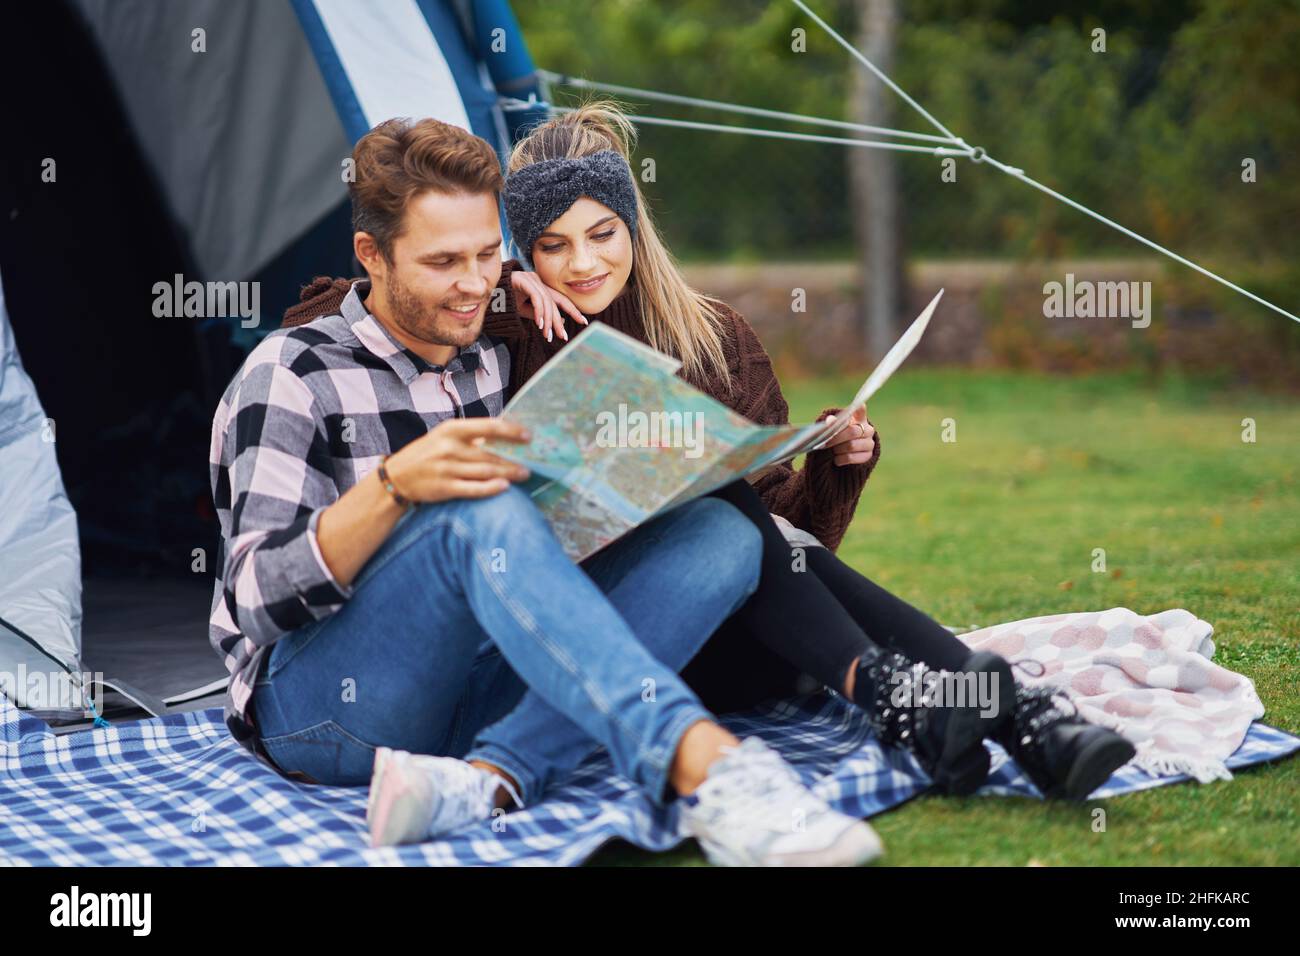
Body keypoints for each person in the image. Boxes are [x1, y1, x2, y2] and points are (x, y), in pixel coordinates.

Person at [286, 100, 1137, 801]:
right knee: (716, 506)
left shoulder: (715, 337)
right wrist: (502, 277)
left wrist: (832, 470)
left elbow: (778, 552)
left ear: (635, 227)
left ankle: (972, 711)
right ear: (527, 247)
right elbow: (323, 316)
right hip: (593, 638)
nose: (581, 263)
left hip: (732, 628)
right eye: (552, 243)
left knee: (725, 506)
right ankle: (992, 709)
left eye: (602, 233)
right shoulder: (502, 324)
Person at [210, 116, 884, 867]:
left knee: (719, 534)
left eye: (488, 254)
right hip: (328, 712)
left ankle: (493, 778)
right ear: (372, 254)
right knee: (474, 502)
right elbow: (254, 598)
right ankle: (710, 768)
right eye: (442, 262)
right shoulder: (290, 375)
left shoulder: (492, 352)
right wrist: (398, 489)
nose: (472, 285)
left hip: (483, 688)